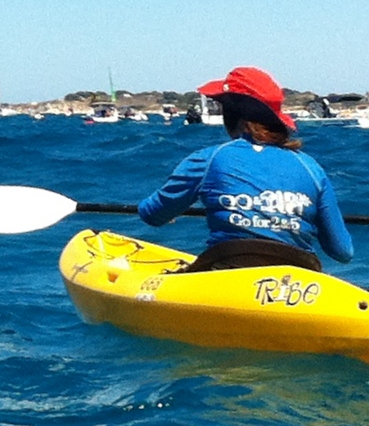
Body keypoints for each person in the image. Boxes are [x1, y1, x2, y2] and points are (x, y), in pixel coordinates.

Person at [139, 67, 354, 274]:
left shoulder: (210, 158)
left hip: (226, 274)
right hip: (299, 277)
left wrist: (175, 207)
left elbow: (152, 214)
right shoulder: (312, 168)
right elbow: (343, 252)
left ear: (232, 114)